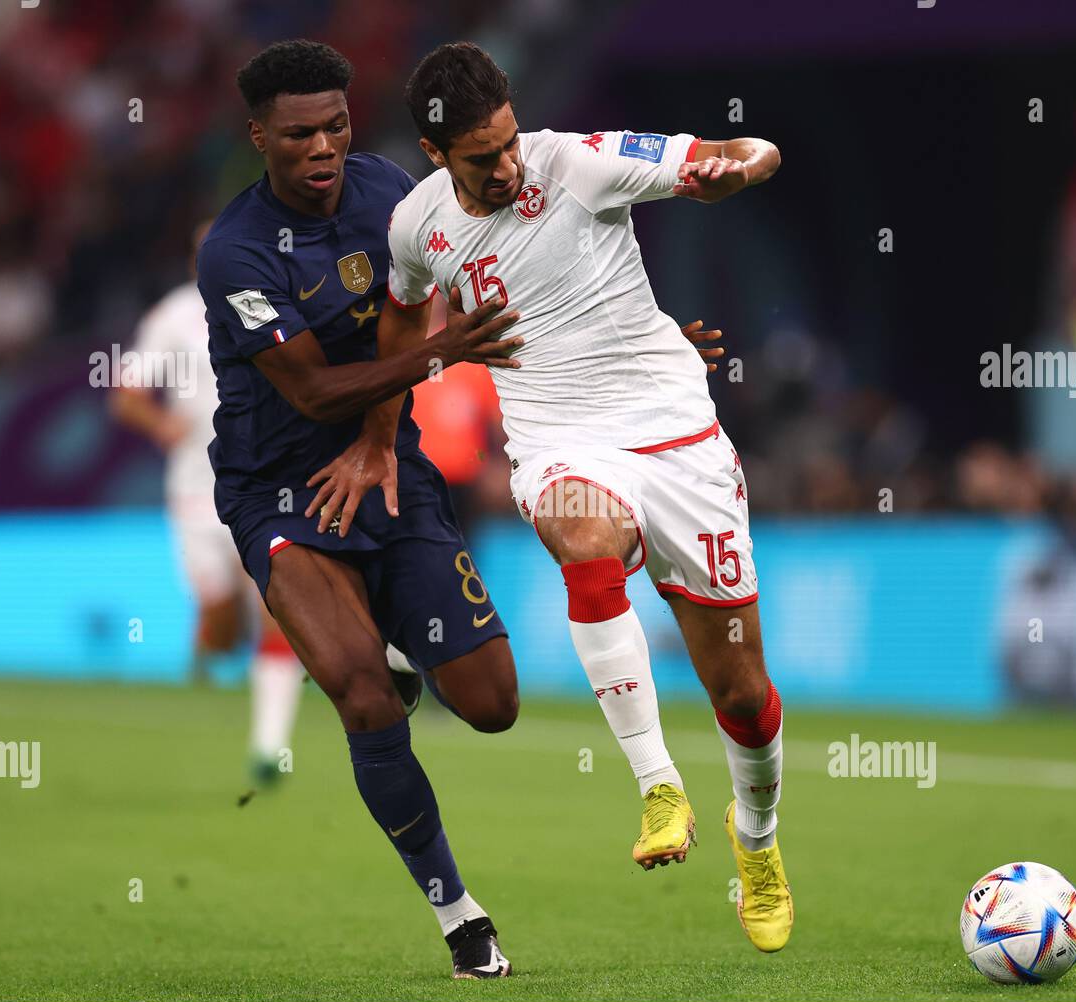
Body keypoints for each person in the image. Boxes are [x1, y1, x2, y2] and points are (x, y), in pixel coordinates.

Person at [322, 42, 790, 952]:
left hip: (678, 437)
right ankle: (658, 788)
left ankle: (758, 843)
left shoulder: (575, 162)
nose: (505, 168)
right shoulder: (416, 227)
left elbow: (724, 155)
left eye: (507, 144)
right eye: (479, 158)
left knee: (744, 695)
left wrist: (746, 165)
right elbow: (402, 312)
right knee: (584, 542)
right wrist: (379, 436)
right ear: (433, 153)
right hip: (559, 441)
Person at [196, 39, 529, 979]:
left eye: (336, 126)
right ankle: (460, 916)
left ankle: (387, 636)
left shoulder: (393, 193)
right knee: (364, 700)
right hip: (278, 490)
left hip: (388, 463)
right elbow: (307, 390)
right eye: (298, 133)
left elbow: (421, 307)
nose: (322, 147)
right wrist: (443, 351)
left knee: (494, 706)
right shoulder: (236, 251)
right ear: (260, 136)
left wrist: (384, 442)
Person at [111, 223, 304, 786]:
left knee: (276, 609)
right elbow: (126, 396)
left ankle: (269, 748)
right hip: (197, 493)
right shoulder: (172, 316)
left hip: (267, 486)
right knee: (221, 624)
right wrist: (159, 421)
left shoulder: (269, 302)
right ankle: (206, 654)